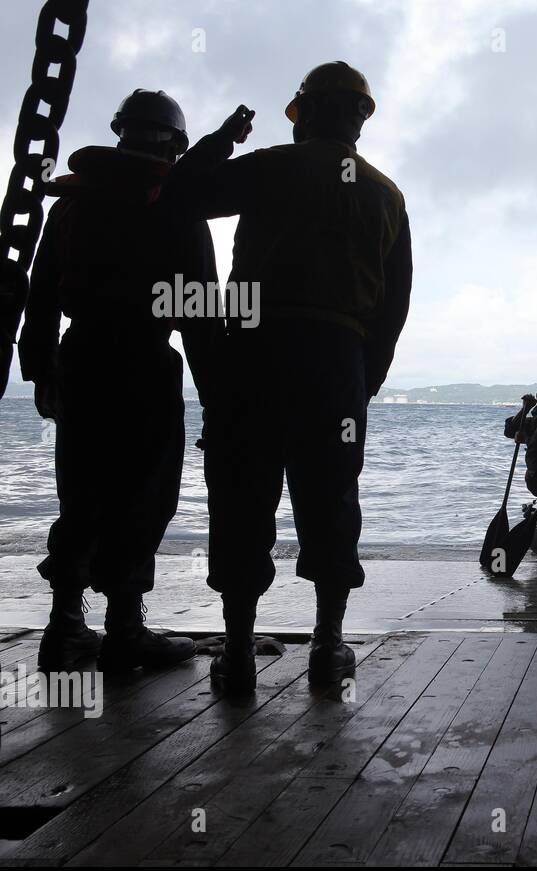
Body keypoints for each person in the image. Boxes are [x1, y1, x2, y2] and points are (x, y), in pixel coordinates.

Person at [165, 62, 413, 694]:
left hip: (254, 350)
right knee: (332, 498)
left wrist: (222, 139)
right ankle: (328, 649)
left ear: (302, 114)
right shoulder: (386, 194)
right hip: (338, 359)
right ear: (360, 117)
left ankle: (240, 652)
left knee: (242, 493)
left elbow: (180, 196)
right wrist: (364, 375)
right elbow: (393, 304)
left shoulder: (271, 166)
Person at [19, 90, 215, 673]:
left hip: (79, 361)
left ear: (120, 132)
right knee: (145, 494)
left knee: (80, 493)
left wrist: (41, 368)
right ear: (177, 146)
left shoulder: (72, 206)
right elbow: (199, 311)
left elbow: (41, 294)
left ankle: (64, 628)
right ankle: (124, 628)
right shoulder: (176, 206)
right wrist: (221, 398)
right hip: (145, 364)